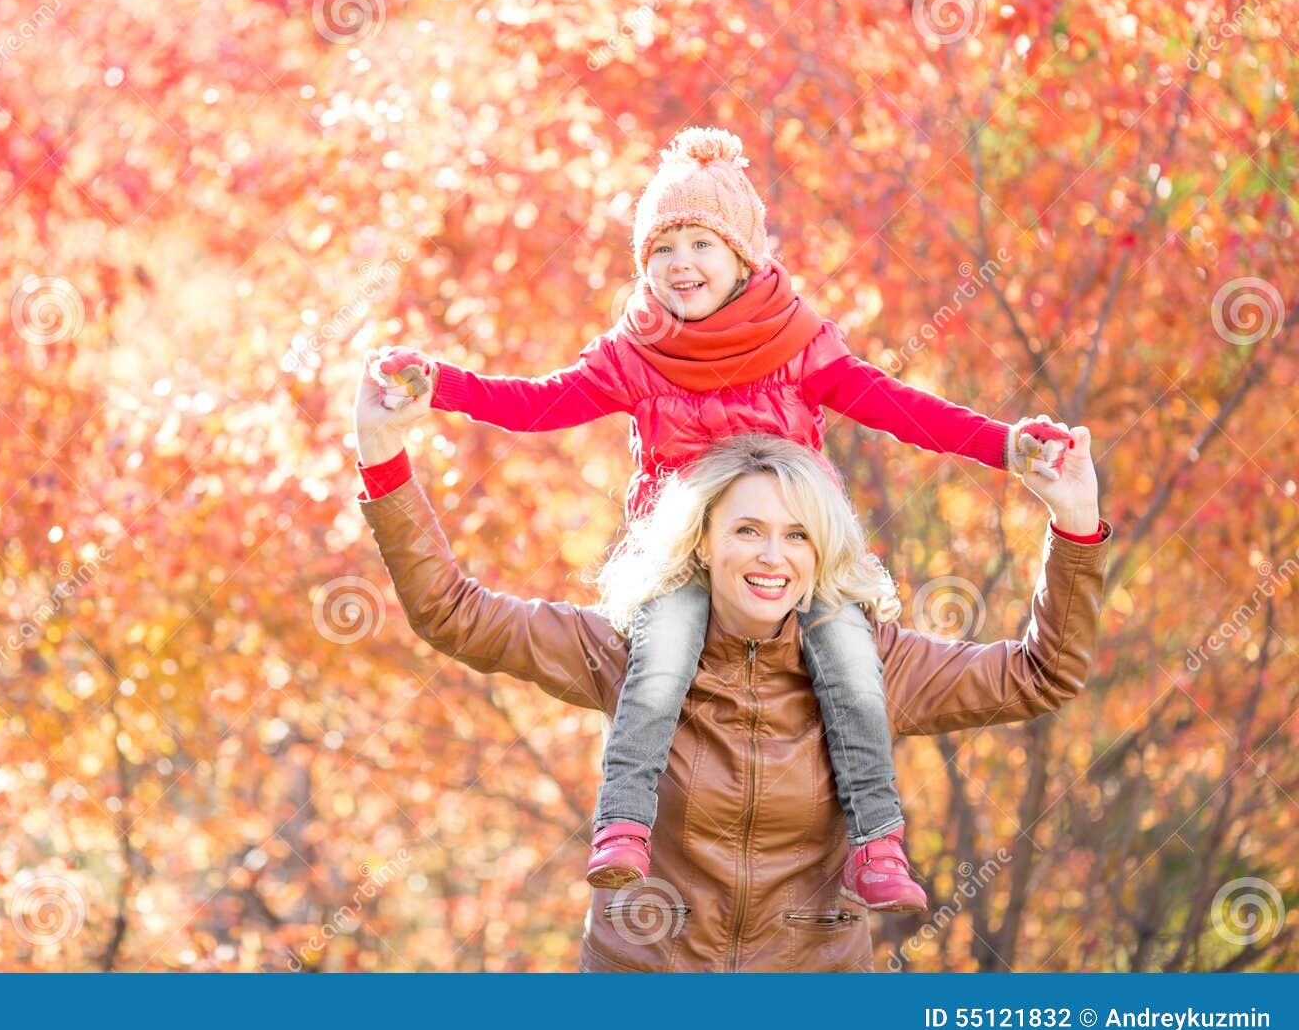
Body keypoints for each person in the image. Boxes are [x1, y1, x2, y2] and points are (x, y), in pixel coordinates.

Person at [369, 126, 1074, 910]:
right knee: (662, 652)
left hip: (789, 564)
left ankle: (876, 840)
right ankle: (625, 824)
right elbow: (539, 404)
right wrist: (444, 387)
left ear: (743, 255)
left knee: (848, 657)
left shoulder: (800, 344)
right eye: (662, 248)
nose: (680, 265)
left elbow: (903, 411)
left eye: (700, 242)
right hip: (683, 567)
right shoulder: (636, 353)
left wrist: (1005, 446)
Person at [352, 354, 1109, 971]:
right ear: (703, 542)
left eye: (797, 535)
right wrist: (383, 455)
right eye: (747, 529)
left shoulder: (869, 662)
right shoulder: (630, 647)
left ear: (822, 552)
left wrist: (1074, 528)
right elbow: (453, 612)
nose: (773, 556)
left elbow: (1043, 673)